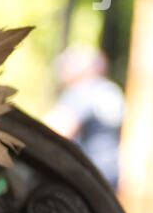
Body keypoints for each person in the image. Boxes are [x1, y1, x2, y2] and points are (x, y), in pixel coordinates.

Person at [45, 45, 126, 191]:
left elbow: (55, 128)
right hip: (111, 176)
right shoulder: (110, 90)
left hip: (89, 177)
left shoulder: (83, 91)